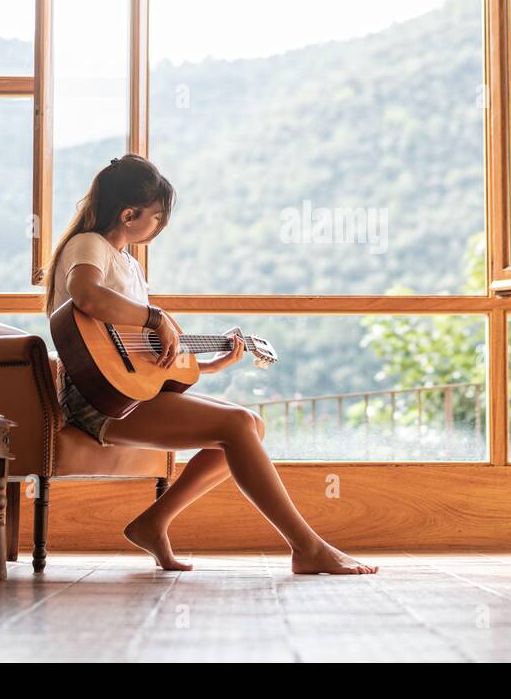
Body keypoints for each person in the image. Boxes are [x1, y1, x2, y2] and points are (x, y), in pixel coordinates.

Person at [45, 154, 377, 576]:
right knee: (238, 425)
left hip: (129, 394)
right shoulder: (90, 245)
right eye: (156, 217)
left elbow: (142, 362)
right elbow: (86, 295)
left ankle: (153, 523)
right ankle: (307, 547)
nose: (159, 226)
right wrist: (155, 317)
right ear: (129, 214)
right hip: (97, 402)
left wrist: (210, 366)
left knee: (251, 425)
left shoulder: (127, 263)